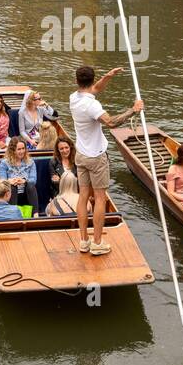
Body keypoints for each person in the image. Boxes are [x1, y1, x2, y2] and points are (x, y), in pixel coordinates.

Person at [69, 65, 143, 256]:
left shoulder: (74, 98)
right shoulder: (92, 105)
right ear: (91, 80)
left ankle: (84, 241)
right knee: (100, 198)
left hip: (81, 155)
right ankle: (97, 243)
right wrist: (133, 110)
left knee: (84, 196)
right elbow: (111, 122)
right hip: (95, 156)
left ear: (77, 80)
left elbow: (94, 90)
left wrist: (108, 77)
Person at [0, 137, 39, 211]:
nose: (22, 151)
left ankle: (36, 215)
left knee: (30, 185)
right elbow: (2, 182)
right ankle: (13, 215)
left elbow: (33, 180)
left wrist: (24, 181)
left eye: (23, 148)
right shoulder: (4, 163)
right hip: (11, 196)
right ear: (13, 150)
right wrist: (9, 181)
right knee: (13, 187)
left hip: (27, 195)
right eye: (19, 149)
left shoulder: (31, 162)